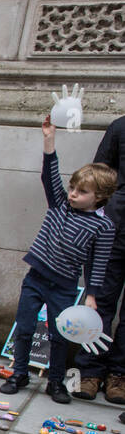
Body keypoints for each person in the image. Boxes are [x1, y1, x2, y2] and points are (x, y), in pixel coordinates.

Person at [0, 115, 116, 404]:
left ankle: (55, 382)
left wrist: (91, 295)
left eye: (82, 192)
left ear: (100, 196)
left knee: (59, 336)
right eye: (73, 188)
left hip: (64, 286)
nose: (73, 194)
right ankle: (20, 373)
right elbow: (49, 175)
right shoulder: (60, 204)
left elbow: (99, 262)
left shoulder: (103, 227)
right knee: (25, 327)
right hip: (36, 278)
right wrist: (49, 139)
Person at [72, 114, 125, 402]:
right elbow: (98, 176)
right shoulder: (120, 126)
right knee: (100, 301)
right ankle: (89, 371)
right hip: (112, 232)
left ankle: (120, 374)